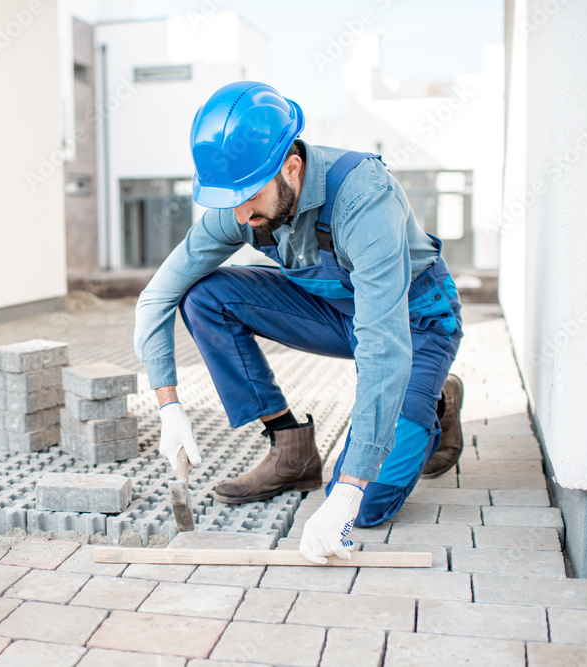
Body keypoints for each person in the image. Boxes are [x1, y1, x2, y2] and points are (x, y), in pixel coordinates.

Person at [134, 81, 464, 564]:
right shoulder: (242, 205)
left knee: (366, 505)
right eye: (229, 200)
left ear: (291, 167)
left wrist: (348, 491)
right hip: (336, 313)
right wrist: (168, 405)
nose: (241, 215)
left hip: (411, 328)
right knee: (204, 295)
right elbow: (156, 296)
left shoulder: (365, 200)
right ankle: (291, 448)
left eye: (248, 196)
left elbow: (384, 347)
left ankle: (434, 399)